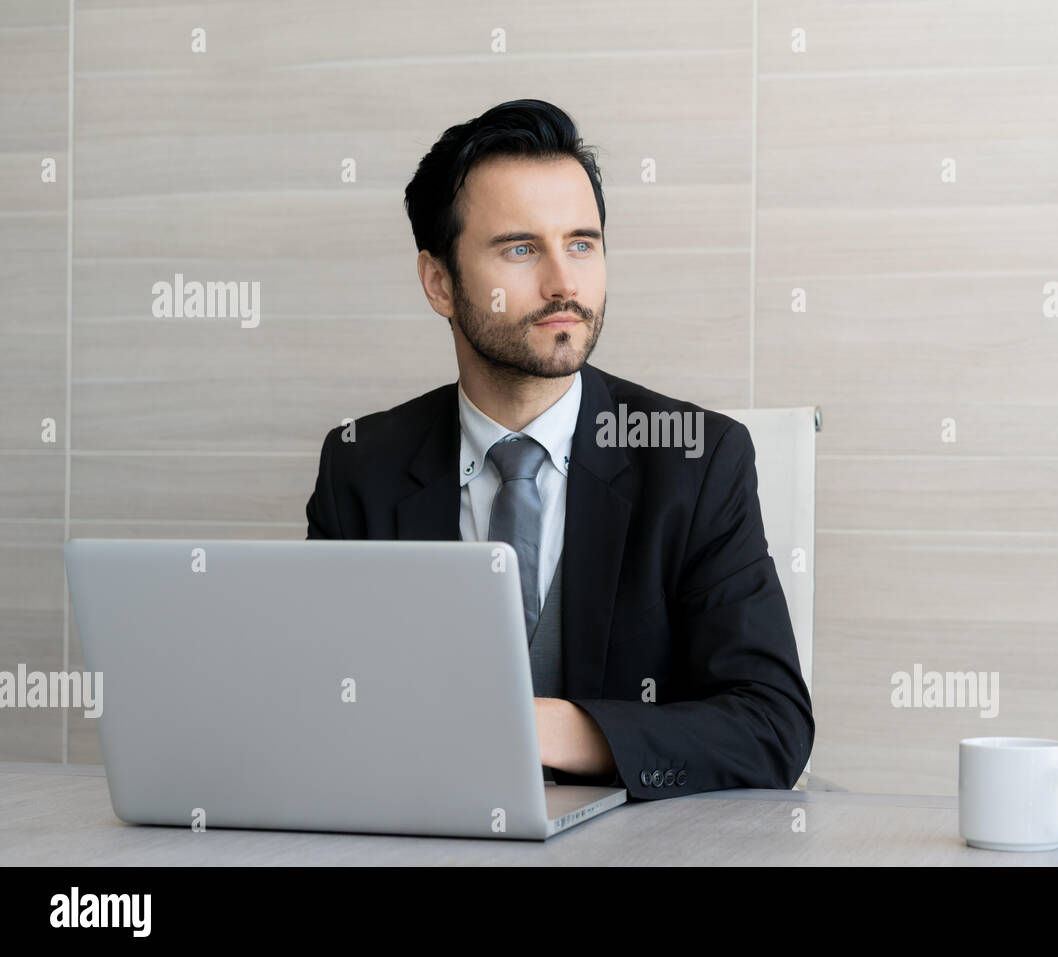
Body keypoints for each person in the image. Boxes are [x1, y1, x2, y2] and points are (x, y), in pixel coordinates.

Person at [305, 99, 813, 799]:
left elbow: (770, 726)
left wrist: (546, 728)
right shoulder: (360, 465)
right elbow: (320, 705)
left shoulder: (698, 460)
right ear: (440, 282)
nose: (564, 283)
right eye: (520, 248)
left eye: (581, 244)